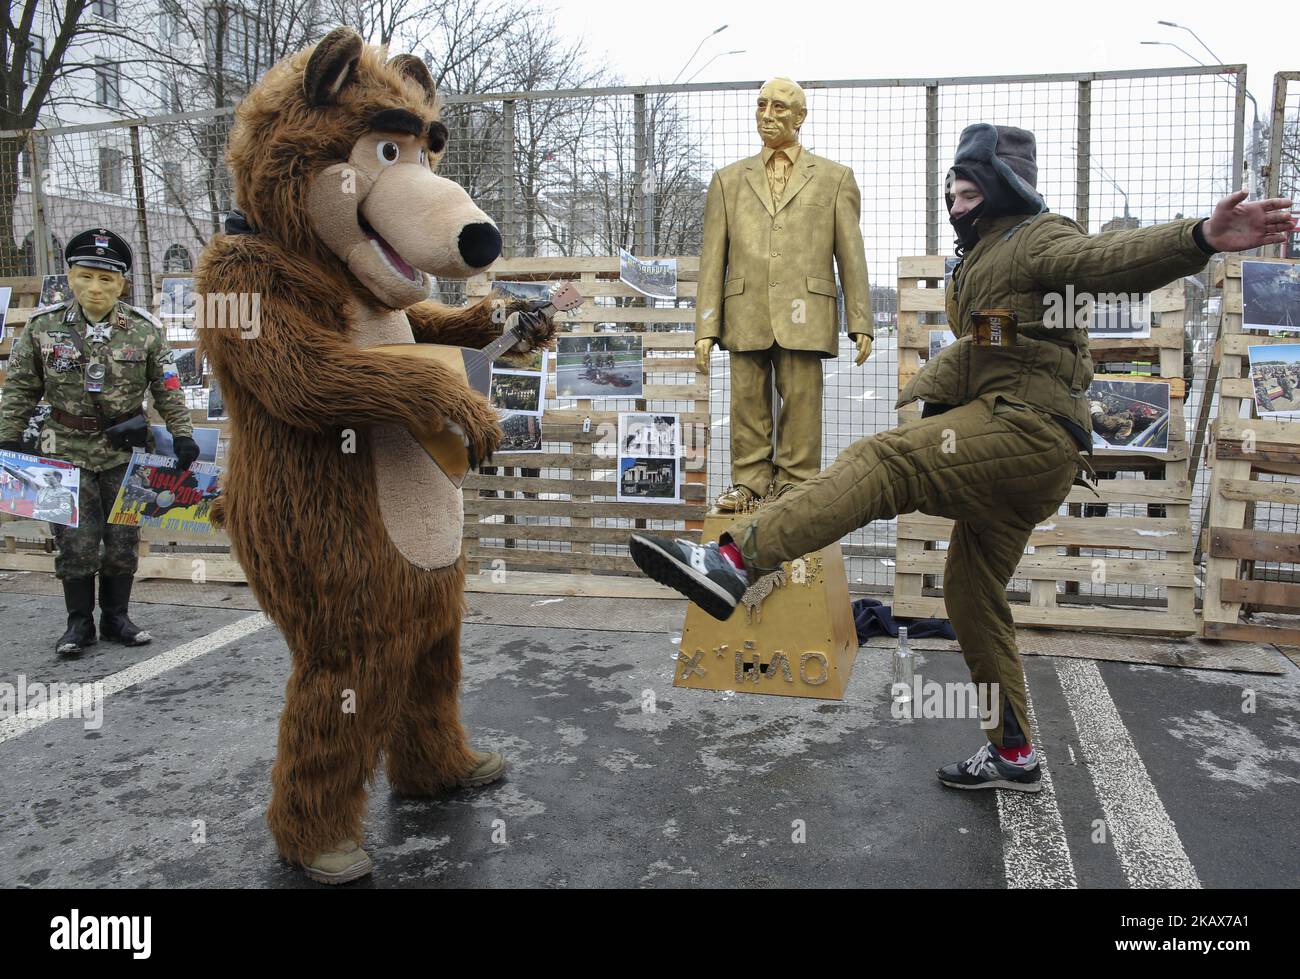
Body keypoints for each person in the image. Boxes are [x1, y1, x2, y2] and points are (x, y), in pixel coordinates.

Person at [631, 123, 1294, 792]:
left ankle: (734, 561)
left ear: (1006, 183)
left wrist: (1199, 239)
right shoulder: (984, 260)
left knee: (885, 463)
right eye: (950, 184)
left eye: (970, 181)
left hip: (1028, 432)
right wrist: (938, 390)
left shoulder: (1037, 237)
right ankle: (1013, 752)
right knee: (971, 594)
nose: (954, 192)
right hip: (1021, 452)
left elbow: (1104, 261)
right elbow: (990, 343)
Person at [0, 228, 200, 655]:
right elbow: (19, 390)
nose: (95, 288)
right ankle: (78, 625)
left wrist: (181, 434)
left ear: (122, 284)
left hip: (123, 454)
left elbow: (167, 386)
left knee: (123, 538)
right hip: (62, 452)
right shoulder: (43, 328)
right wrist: (8, 440)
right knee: (74, 541)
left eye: (106, 280)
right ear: (70, 276)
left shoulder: (143, 331)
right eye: (86, 276)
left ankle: (116, 618)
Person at [695, 77, 873, 512]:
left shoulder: (835, 179)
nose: (767, 115)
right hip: (745, 307)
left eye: (778, 107)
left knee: (802, 401)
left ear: (800, 117)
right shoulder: (727, 181)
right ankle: (750, 484)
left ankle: (796, 486)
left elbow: (851, 254)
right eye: (761, 106)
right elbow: (711, 259)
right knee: (747, 401)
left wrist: (861, 322)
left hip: (806, 309)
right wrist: (704, 326)